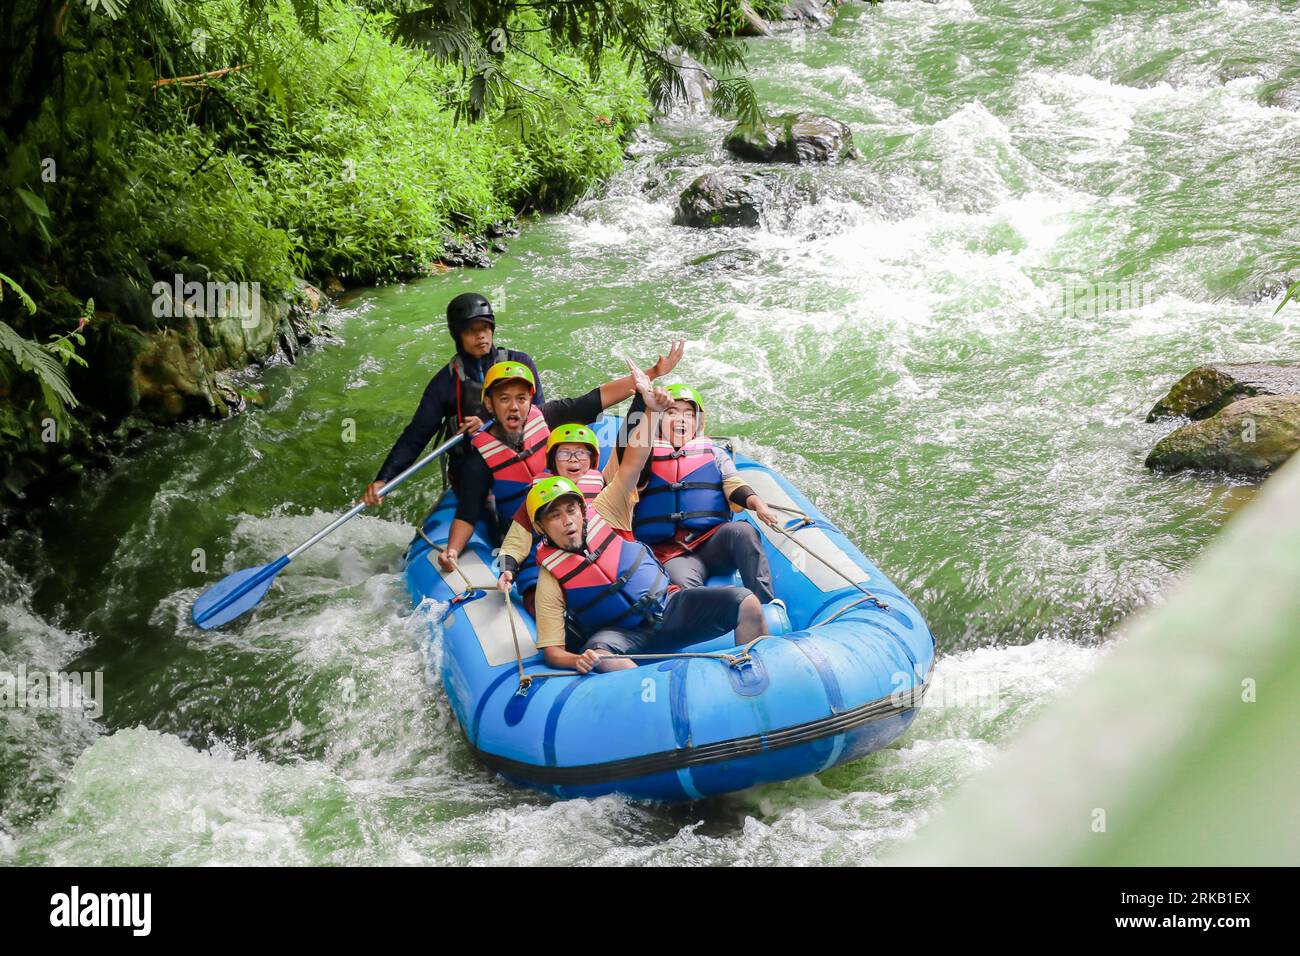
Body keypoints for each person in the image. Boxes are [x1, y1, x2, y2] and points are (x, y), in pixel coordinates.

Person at [515, 370, 769, 674]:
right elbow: (553, 651)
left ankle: (760, 679)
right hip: (621, 634)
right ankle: (654, 702)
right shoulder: (549, 579)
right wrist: (576, 659)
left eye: (570, 511)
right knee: (601, 653)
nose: (567, 521)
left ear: (583, 509)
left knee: (746, 602)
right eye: (554, 516)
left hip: (668, 608)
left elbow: (634, 459)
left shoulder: (609, 511)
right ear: (541, 528)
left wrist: (649, 410)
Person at [437, 342, 685, 573]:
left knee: (629, 442)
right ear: (489, 405)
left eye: (521, 398)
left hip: (574, 518)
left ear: (530, 401)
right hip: (530, 534)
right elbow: (467, 512)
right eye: (504, 399)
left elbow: (595, 400)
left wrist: (653, 372)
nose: (514, 407)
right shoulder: (479, 459)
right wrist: (453, 551)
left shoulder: (546, 416)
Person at [363, 292, 541, 506]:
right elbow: (417, 434)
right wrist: (385, 478)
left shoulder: (519, 363)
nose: (481, 336)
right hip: (473, 467)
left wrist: (488, 425)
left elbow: (540, 412)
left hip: (520, 456)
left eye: (484, 328)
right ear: (458, 336)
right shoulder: (445, 382)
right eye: (471, 331)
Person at [628, 384, 779, 604]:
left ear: (697, 422)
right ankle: (702, 624)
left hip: (713, 542)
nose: (680, 420)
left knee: (742, 531)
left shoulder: (715, 454)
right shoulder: (644, 457)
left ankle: (765, 605)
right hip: (673, 552)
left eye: (688, 415)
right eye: (672, 413)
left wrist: (756, 503)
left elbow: (733, 484)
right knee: (682, 585)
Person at [493, 422, 627, 615]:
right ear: (553, 460)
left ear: (592, 460)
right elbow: (515, 541)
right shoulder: (537, 497)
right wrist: (508, 570)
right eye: (564, 453)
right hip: (547, 573)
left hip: (593, 570)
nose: (573, 460)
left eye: (581, 453)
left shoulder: (604, 491)